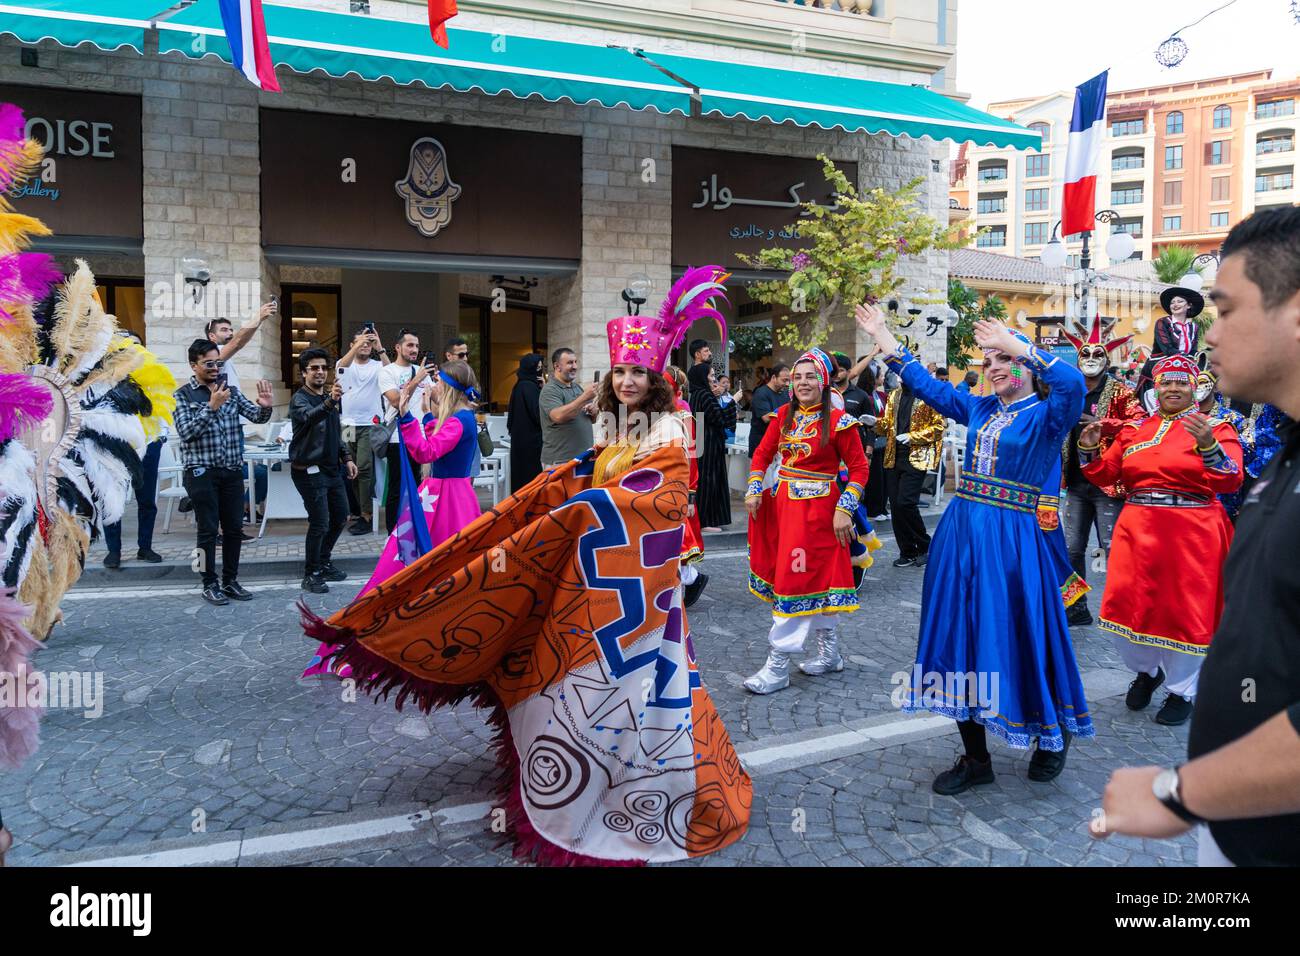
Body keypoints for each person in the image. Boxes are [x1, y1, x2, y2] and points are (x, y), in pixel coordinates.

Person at [301, 265, 750, 865]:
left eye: (638, 371)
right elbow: (594, 472)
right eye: (619, 371)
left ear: (656, 377)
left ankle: (620, 799)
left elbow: (661, 494)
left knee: (632, 694)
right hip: (595, 583)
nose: (628, 380)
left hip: (638, 597)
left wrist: (586, 502)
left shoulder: (670, 425)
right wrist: (566, 489)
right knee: (565, 677)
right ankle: (554, 780)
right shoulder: (617, 423)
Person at [1092, 206, 1300, 866]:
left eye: (1226, 311)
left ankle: (1176, 686)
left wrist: (1180, 792)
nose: (1204, 344)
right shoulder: (1288, 452)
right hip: (1238, 824)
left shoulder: (1228, 433)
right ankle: (1158, 679)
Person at [856, 303, 1093, 792]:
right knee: (958, 637)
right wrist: (883, 336)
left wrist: (1018, 343)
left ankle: (1053, 731)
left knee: (1019, 636)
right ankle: (976, 757)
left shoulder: (1049, 416)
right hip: (961, 533)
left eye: (1004, 361)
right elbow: (927, 385)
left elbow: (1072, 383)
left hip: (1012, 544)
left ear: (1027, 368)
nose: (996, 369)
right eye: (989, 363)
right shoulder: (981, 407)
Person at [1080, 354, 1242, 727]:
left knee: (1185, 612)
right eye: (1166, 382)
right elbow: (1105, 475)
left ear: (1193, 389)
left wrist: (1208, 448)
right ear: (1155, 387)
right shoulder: (1136, 429)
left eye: (1181, 383)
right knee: (1131, 605)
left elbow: (1231, 480)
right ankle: (1147, 671)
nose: (1173, 388)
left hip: (1194, 534)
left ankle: (1182, 689)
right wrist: (1089, 449)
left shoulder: (1216, 427)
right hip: (1136, 530)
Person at [302, 361, 484, 679]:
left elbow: (425, 453)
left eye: (438, 382)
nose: (433, 387)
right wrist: (426, 412)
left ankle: (391, 643)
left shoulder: (462, 420)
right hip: (445, 500)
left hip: (445, 502)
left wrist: (406, 414)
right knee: (428, 573)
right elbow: (434, 443)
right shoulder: (460, 418)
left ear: (451, 387)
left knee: (409, 571)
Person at [742, 348, 871, 694]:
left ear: (825, 380)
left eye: (810, 376)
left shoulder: (840, 422)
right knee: (811, 579)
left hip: (820, 515)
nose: (802, 383)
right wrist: (755, 486)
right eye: (797, 377)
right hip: (785, 509)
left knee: (795, 582)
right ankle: (830, 654)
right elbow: (763, 453)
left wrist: (845, 508)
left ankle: (778, 665)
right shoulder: (783, 415)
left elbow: (859, 468)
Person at [173, 339, 273, 606]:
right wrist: (211, 407)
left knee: (233, 528)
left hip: (230, 470)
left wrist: (265, 406)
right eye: (208, 363)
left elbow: (257, 417)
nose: (215, 368)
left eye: (218, 362)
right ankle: (207, 583)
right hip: (200, 472)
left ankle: (230, 580)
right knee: (206, 530)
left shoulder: (229, 390)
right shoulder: (183, 395)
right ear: (193, 365)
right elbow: (186, 432)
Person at [1057, 321, 1145, 626]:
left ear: (1107, 360)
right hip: (1076, 484)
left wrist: (1103, 423)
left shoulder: (1120, 391)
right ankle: (1076, 608)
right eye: (1086, 353)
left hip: (1108, 485)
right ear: (1078, 358)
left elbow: (1139, 425)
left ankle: (1126, 611)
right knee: (1071, 549)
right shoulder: (1071, 390)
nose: (1091, 358)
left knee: (1114, 550)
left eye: (1098, 354)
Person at [289, 349, 357, 594]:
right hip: (308, 470)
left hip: (331, 469)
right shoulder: (300, 399)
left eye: (323, 368)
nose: (319, 372)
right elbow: (309, 418)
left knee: (341, 517)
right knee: (320, 522)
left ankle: (323, 561)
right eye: (314, 368)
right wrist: (331, 401)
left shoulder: (329, 399)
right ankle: (311, 573)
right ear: (304, 372)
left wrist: (346, 457)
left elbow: (334, 432)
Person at [875, 368, 944, 567]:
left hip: (916, 457)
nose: (900, 377)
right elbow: (887, 425)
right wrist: (874, 424)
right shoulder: (894, 395)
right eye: (898, 374)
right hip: (893, 456)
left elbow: (938, 428)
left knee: (906, 502)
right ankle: (907, 551)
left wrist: (913, 437)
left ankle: (925, 546)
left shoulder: (928, 396)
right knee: (896, 507)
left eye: (903, 373)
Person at [336, 326, 389, 535]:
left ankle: (367, 515)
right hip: (347, 424)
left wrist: (380, 347)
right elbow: (341, 366)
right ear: (352, 345)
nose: (365, 346)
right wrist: (358, 344)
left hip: (371, 424)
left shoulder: (377, 365)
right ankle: (357, 510)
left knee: (365, 469)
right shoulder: (345, 364)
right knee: (349, 469)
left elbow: (391, 371)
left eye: (368, 343)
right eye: (361, 343)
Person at [377, 330, 429, 534]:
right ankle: (393, 533)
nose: (414, 349)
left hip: (422, 438)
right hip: (398, 438)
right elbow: (397, 401)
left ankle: (415, 531)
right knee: (397, 489)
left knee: (420, 488)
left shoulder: (421, 370)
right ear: (398, 348)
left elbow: (434, 402)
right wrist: (417, 380)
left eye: (416, 345)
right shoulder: (387, 372)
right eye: (409, 345)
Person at [666, 365, 707, 606]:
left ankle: (681, 594)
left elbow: (691, 455)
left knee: (678, 545)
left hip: (678, 486)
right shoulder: (657, 410)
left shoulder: (682, 413)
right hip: (661, 485)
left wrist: (690, 493)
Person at [1195, 367, 1254, 520]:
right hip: (1193, 495)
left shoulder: (1234, 418)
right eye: (1194, 383)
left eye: (1202, 382)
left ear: (1215, 387)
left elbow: (1248, 453)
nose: (1198, 387)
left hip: (1225, 497)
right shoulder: (1184, 419)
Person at [1136, 286, 1205, 412]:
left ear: (1188, 305)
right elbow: (1166, 347)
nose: (1175, 304)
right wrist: (1185, 357)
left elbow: (1193, 349)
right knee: (1154, 401)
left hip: (1183, 367)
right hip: (1159, 368)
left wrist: (1198, 356)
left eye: (1179, 301)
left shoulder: (1193, 327)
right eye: (1172, 302)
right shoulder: (1163, 322)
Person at [688, 362, 737, 531]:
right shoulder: (704, 395)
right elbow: (718, 417)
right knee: (709, 480)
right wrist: (733, 401)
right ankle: (705, 521)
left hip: (702, 441)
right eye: (710, 375)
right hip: (708, 443)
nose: (713, 379)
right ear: (702, 377)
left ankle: (707, 519)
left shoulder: (696, 394)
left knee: (707, 479)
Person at [539, 347, 596, 469]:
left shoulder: (577, 387)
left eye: (575, 362)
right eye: (570, 363)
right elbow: (558, 416)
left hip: (583, 458)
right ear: (557, 366)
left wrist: (594, 411)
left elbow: (592, 420)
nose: (575, 366)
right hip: (560, 460)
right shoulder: (550, 389)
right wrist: (584, 397)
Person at [506, 353, 544, 493]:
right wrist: (543, 392)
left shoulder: (520, 385)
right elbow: (538, 414)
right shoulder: (529, 387)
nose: (540, 372)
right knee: (530, 479)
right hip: (531, 442)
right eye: (537, 368)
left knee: (520, 477)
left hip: (520, 440)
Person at [856, 364, 889, 519]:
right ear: (873, 377)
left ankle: (882, 507)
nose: (883, 377)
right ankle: (874, 509)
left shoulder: (881, 395)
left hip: (883, 439)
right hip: (871, 440)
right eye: (880, 375)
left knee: (883, 476)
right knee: (874, 476)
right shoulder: (865, 397)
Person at [748, 362, 789, 457]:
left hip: (778, 445)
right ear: (774, 378)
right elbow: (766, 418)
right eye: (784, 380)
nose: (787, 384)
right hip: (761, 445)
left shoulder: (785, 393)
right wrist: (788, 411)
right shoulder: (761, 393)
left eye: (789, 381)